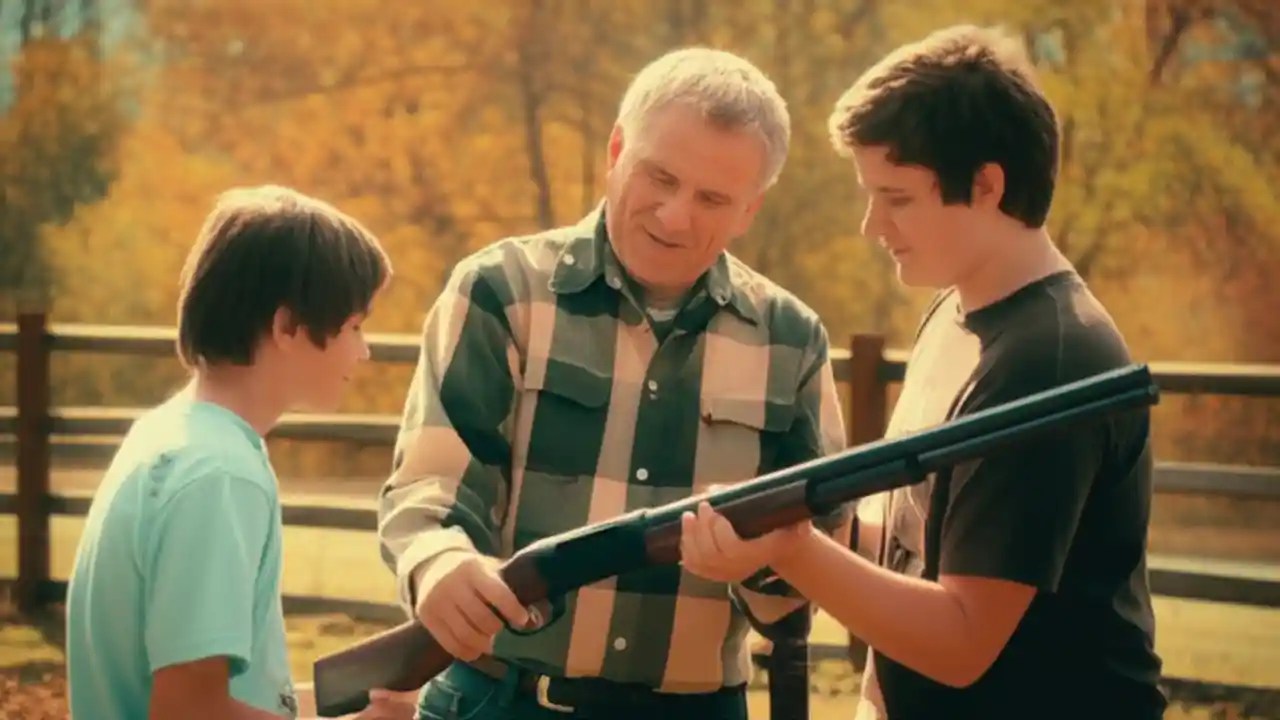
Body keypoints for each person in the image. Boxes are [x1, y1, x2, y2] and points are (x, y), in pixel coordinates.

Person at [678, 24, 1167, 720]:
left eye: (898, 197)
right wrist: (779, 520)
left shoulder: (1047, 361)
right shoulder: (956, 311)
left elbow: (962, 640)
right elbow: (915, 543)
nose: (871, 226)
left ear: (987, 185)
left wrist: (794, 549)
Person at [376, 47, 850, 720]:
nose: (675, 215)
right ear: (617, 149)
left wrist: (762, 563)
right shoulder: (499, 292)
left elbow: (805, 582)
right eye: (661, 177)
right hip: (501, 700)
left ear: (750, 209)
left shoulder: (793, 340)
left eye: (712, 198)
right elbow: (432, 487)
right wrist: (438, 562)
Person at [64, 185, 411, 719]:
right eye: (354, 326)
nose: (363, 350)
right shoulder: (221, 477)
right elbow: (188, 711)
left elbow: (210, 693)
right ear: (287, 326)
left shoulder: (166, 439)